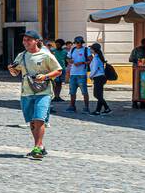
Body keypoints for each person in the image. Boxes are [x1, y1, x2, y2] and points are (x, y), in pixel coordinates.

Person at [10, 30, 61, 161]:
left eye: (29, 40)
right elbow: (16, 73)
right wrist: (12, 70)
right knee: (32, 121)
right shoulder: (21, 56)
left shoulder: (45, 55)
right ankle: (39, 146)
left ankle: (37, 147)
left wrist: (45, 76)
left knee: (39, 118)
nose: (25, 42)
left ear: (37, 41)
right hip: (26, 91)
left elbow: (58, 70)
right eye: (24, 40)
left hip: (43, 92)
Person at [88, 42, 113, 115]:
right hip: (100, 77)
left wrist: (91, 76)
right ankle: (100, 110)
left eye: (91, 48)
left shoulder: (96, 58)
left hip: (98, 77)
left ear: (94, 50)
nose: (90, 49)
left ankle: (105, 108)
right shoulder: (98, 57)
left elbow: (95, 69)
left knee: (97, 95)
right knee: (99, 95)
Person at [66, 36, 90, 111]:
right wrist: (69, 61)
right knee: (72, 91)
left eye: (79, 42)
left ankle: (86, 107)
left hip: (82, 74)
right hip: (73, 74)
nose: (77, 44)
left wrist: (82, 62)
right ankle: (72, 106)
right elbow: (68, 58)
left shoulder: (86, 50)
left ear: (82, 43)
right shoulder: (73, 49)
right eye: (76, 42)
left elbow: (90, 60)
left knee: (84, 91)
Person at [50, 38, 68, 102]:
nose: (57, 46)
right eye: (56, 44)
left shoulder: (65, 52)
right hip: (54, 70)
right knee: (54, 83)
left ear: (61, 45)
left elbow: (67, 60)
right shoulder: (53, 51)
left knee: (59, 83)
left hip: (62, 69)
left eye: (58, 44)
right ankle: (55, 96)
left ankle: (58, 96)